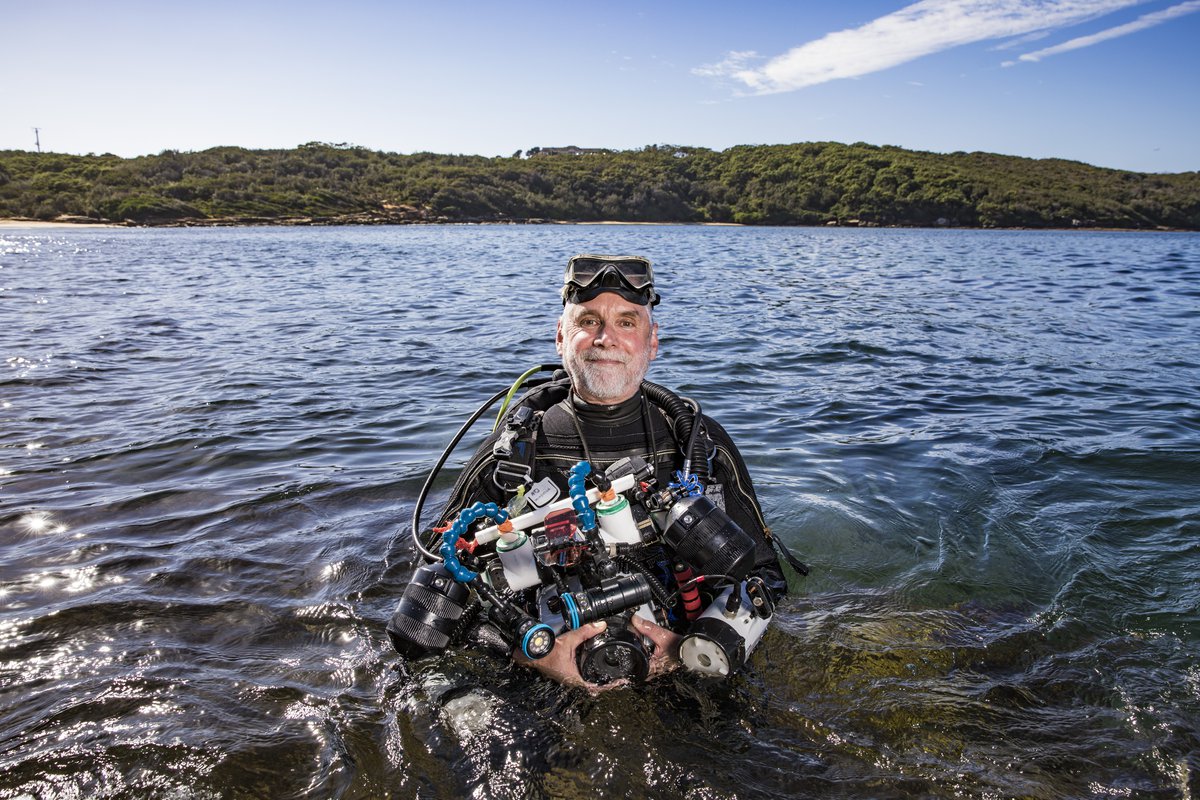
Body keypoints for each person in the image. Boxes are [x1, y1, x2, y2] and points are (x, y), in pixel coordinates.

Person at [425, 254, 793, 689]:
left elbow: (766, 577)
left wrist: (694, 648)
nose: (606, 338)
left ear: (652, 342)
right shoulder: (511, 455)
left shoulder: (698, 444)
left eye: (626, 322)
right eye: (589, 321)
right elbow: (432, 581)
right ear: (560, 337)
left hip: (685, 656)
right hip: (545, 667)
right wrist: (528, 655)